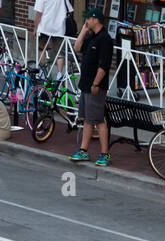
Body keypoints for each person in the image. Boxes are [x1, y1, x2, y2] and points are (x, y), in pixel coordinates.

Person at [68, 8, 113, 167]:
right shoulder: (92, 37)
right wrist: (83, 30)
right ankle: (83, 150)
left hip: (95, 86)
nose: (86, 20)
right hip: (86, 84)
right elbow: (77, 48)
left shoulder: (105, 39)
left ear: (96, 20)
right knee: (87, 119)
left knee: (98, 120)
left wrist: (96, 83)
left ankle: (105, 153)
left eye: (88, 19)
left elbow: (104, 65)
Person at [34, 0, 73, 73]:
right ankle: (59, 74)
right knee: (59, 52)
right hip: (59, 29)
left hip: (45, 28)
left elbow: (39, 13)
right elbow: (70, 10)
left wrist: (35, 28)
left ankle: (43, 72)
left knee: (41, 49)